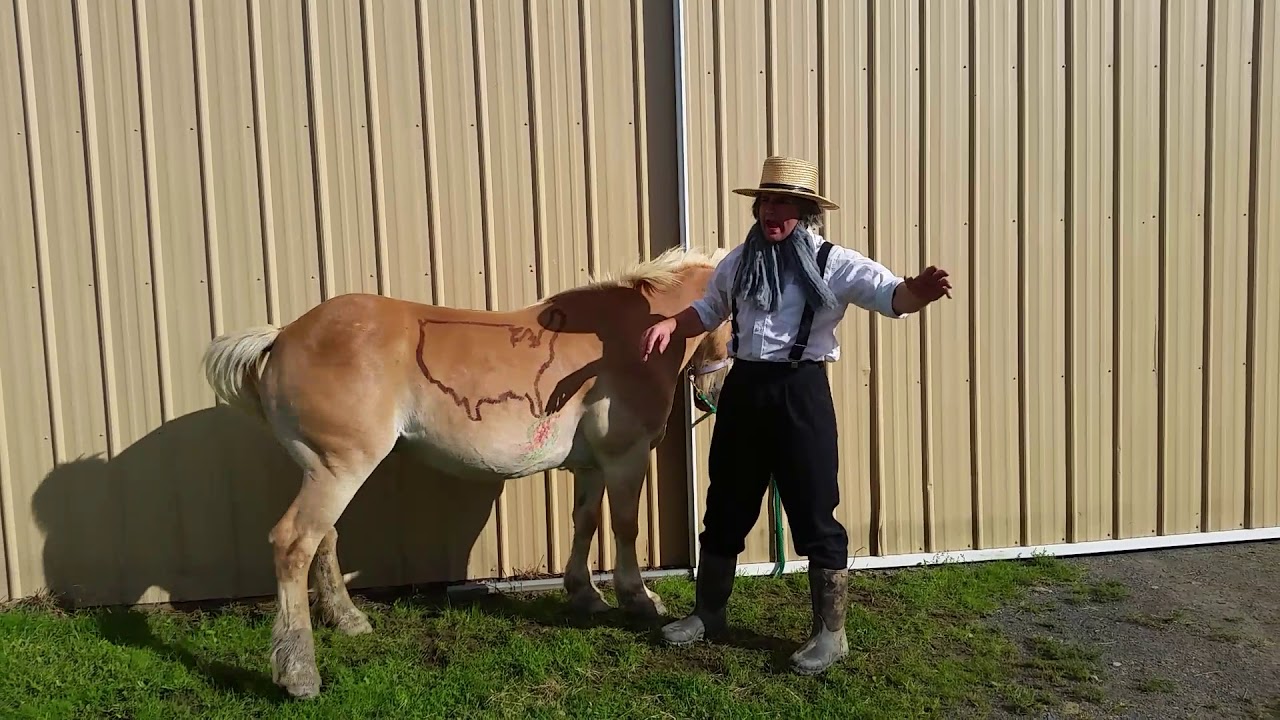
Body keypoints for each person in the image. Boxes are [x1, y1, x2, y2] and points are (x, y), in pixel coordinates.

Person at [639, 155, 952, 675]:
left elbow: (890, 294)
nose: (770, 211)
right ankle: (708, 613)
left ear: (805, 211)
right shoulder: (739, 262)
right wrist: (674, 324)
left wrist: (916, 293)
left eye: (782, 201)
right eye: (764, 201)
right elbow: (711, 308)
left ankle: (831, 634)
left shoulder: (835, 262)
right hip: (745, 389)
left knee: (814, 509)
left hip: (801, 391)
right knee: (726, 504)